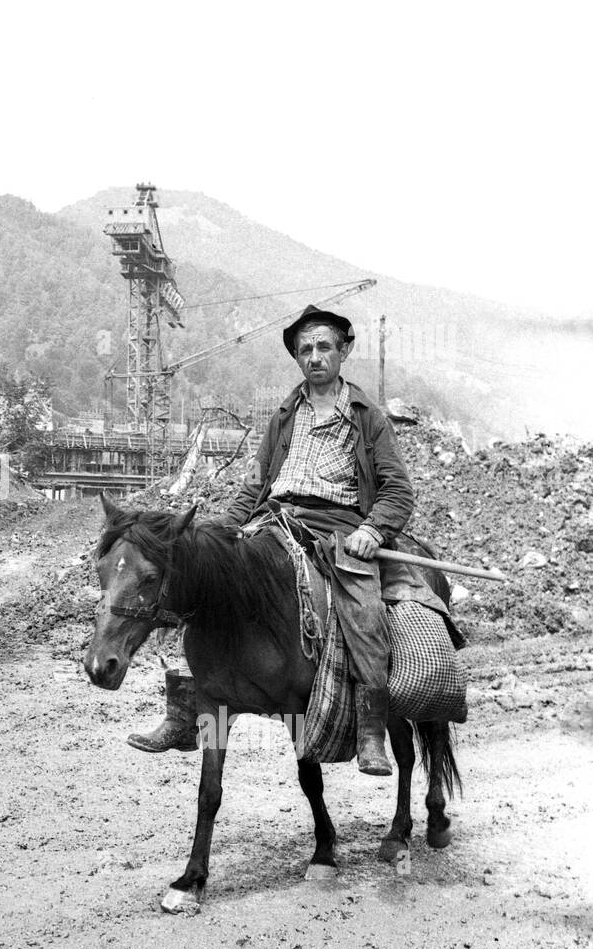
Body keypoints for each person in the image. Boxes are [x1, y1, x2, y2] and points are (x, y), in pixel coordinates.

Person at [128, 303, 425, 775]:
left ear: (344, 351)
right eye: (305, 349)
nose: (314, 356)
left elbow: (398, 489)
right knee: (198, 581)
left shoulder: (368, 416)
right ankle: (185, 714)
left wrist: (372, 530)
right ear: (297, 357)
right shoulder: (285, 413)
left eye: (324, 346)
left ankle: (372, 729)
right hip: (274, 519)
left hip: (338, 526)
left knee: (362, 605)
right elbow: (257, 482)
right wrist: (224, 528)